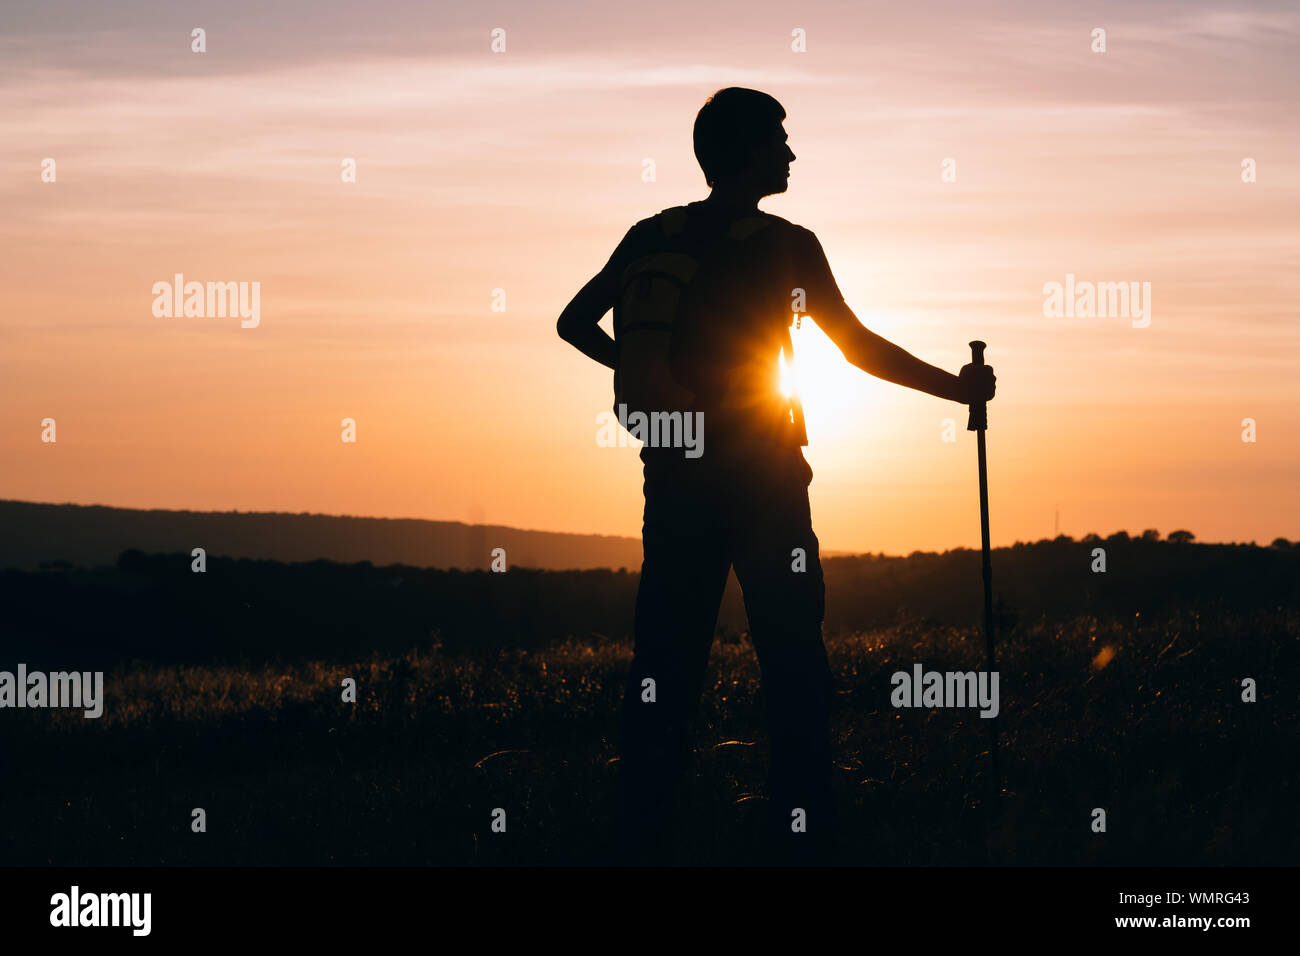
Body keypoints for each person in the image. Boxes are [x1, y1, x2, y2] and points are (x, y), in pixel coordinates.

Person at [557, 87, 996, 864]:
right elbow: (857, 348)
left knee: (665, 656)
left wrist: (648, 376)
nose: (791, 154)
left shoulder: (652, 234)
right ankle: (803, 826)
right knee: (791, 652)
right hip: (765, 475)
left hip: (677, 470)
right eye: (779, 140)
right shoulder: (788, 245)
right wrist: (955, 389)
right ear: (746, 150)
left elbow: (572, 322)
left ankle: (644, 827)